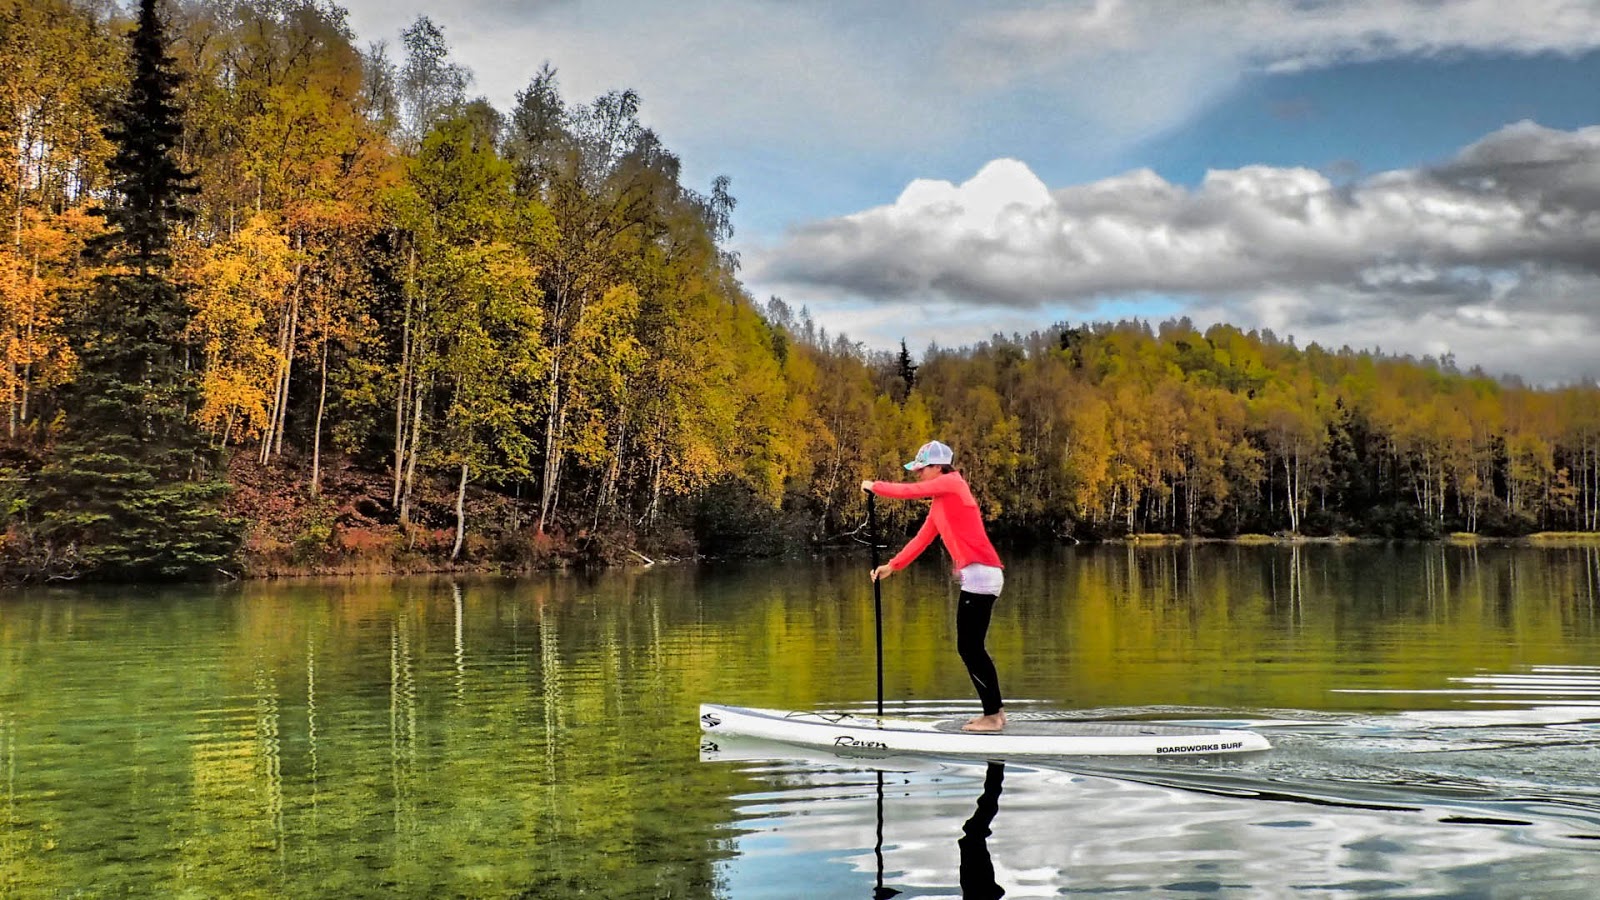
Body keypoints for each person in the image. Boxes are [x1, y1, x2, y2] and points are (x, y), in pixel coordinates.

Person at [862, 440, 1007, 733]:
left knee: (969, 648)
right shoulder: (942, 502)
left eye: (922, 468)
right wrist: (893, 566)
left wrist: (875, 486)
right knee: (972, 647)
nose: (918, 474)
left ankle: (992, 717)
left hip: (981, 574)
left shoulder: (953, 483)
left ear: (938, 467)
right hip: (979, 575)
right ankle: (996, 713)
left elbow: (908, 492)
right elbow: (922, 539)